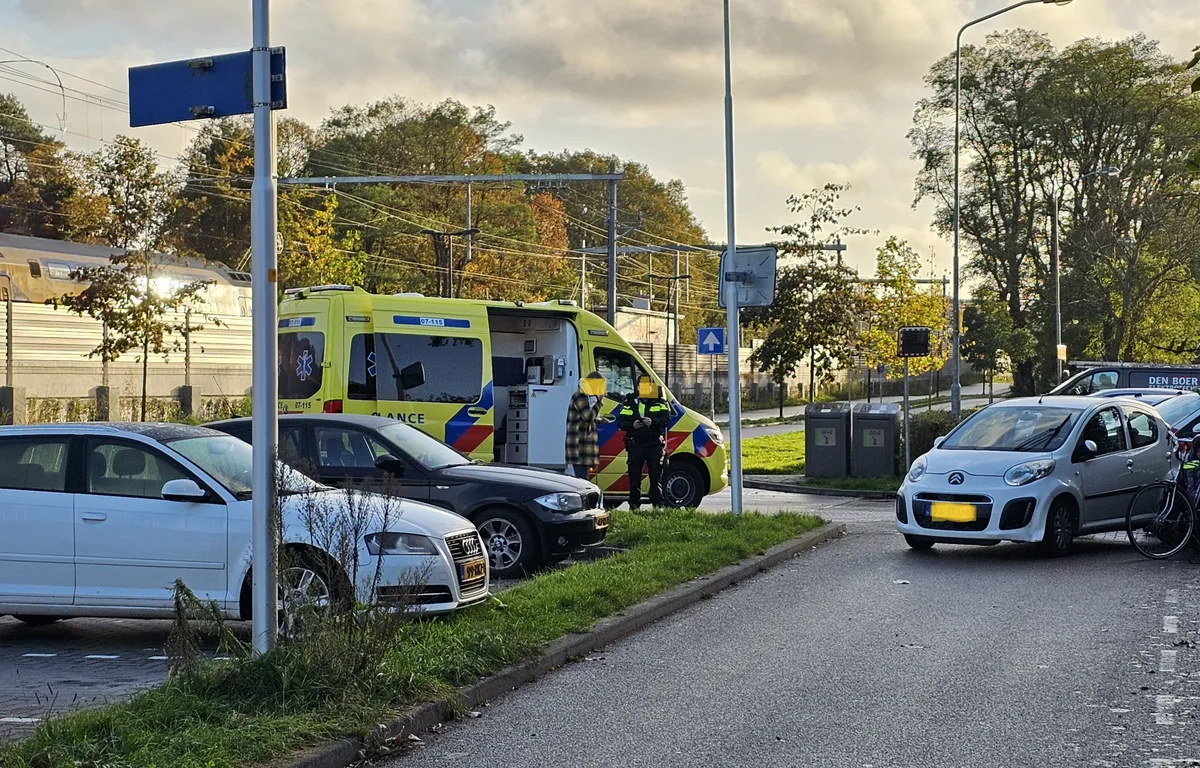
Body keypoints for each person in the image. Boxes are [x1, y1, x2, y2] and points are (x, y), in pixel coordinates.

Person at [617, 375, 671, 509]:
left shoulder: (659, 402)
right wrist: (632, 425)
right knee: (634, 478)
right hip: (635, 443)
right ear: (637, 387)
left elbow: (666, 420)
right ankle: (634, 506)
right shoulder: (630, 401)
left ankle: (658, 506)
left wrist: (652, 422)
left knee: (655, 477)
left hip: (654, 444)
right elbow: (621, 422)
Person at [565, 372, 607, 479]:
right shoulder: (580, 396)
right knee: (582, 481)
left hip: (584, 447)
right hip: (580, 447)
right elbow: (587, 416)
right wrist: (599, 402)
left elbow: (584, 419)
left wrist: (598, 420)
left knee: (584, 479)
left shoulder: (586, 396)